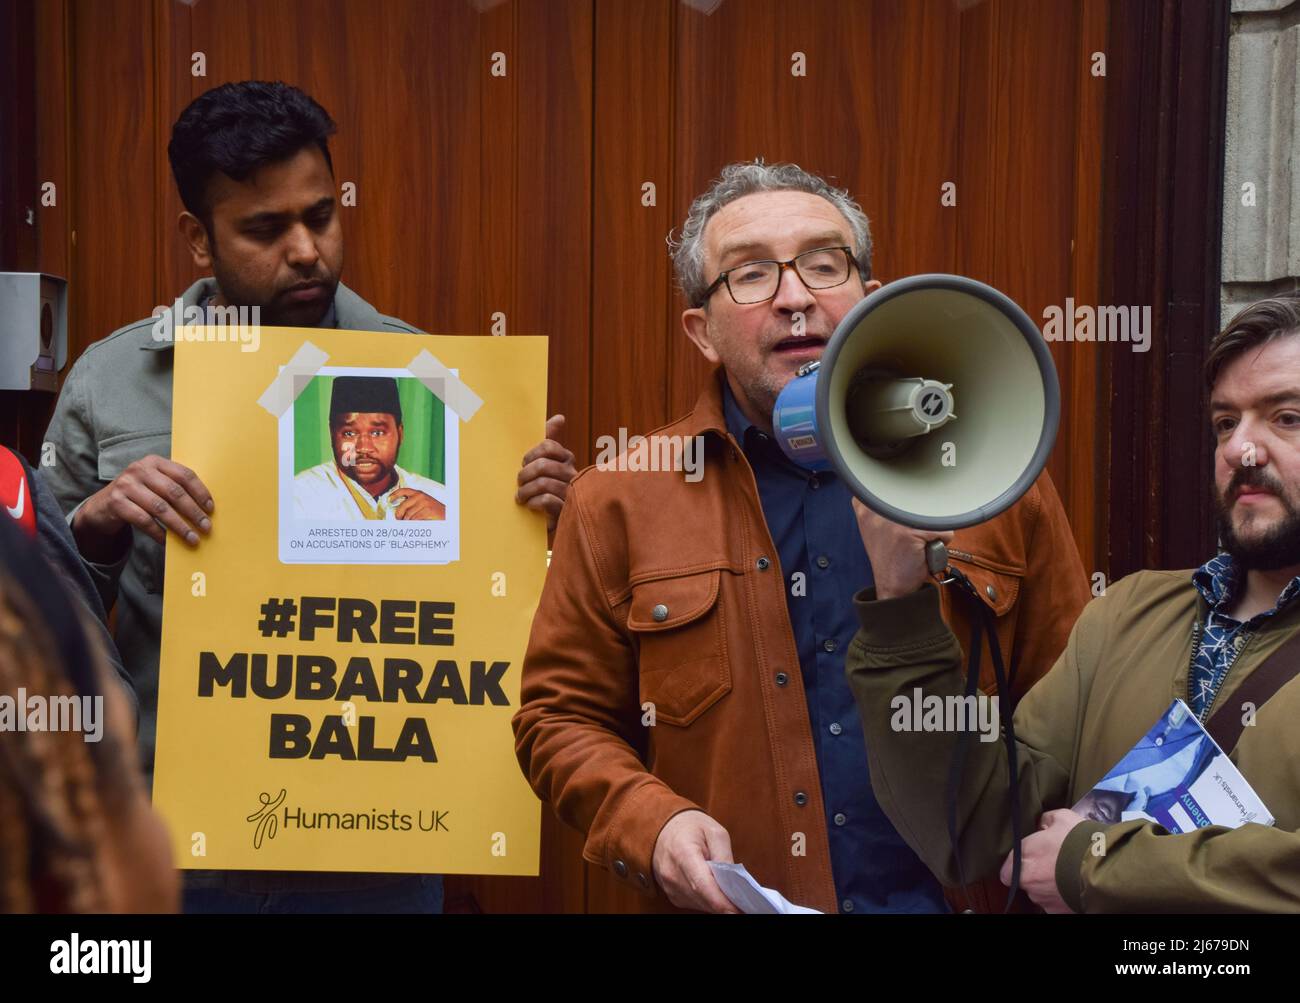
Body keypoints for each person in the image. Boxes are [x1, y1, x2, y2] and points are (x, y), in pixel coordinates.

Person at [41, 80, 574, 913]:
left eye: (320, 216)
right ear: (197, 239)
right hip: (179, 846)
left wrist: (541, 521)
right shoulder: (110, 383)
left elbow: (501, 613)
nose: (306, 251)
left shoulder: (430, 376)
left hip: (378, 846)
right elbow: (42, 632)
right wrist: (96, 527)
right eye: (264, 228)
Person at [513, 160, 1088, 914]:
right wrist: (651, 823)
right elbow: (558, 718)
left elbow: (1077, 700)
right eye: (750, 275)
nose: (796, 297)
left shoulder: (985, 474)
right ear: (702, 332)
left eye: (825, 263)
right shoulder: (617, 500)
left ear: (871, 298)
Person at [845, 293, 1300, 912]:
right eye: (1226, 421)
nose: (1239, 450)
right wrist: (900, 610)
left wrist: (1098, 865)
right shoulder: (1127, 611)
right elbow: (976, 828)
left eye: (1286, 418)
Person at [293, 376, 448, 521]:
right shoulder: (299, 496)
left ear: (400, 434)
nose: (364, 448)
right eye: (349, 433)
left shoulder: (439, 498)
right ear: (332, 435)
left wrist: (449, 522)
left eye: (377, 433)